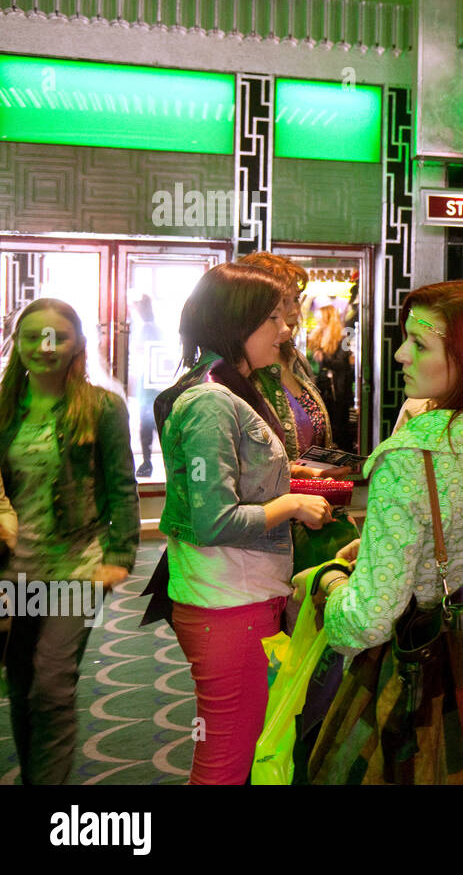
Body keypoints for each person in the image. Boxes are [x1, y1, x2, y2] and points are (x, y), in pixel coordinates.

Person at [303, 281, 463, 784]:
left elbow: (368, 620)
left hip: (427, 675)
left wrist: (326, 583)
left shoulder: (413, 458)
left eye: (420, 344)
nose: (399, 355)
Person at [151, 264, 334, 784]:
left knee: (238, 745)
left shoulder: (228, 385)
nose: (285, 329)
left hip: (233, 592)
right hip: (225, 598)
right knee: (227, 757)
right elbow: (214, 520)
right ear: (236, 322)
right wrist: (291, 504)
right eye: (273, 317)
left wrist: (283, 476)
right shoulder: (212, 398)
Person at [0, 298, 140, 785]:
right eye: (33, 336)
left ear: (78, 342)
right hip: (15, 569)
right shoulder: (3, 408)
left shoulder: (100, 406)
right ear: (16, 343)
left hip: (79, 565)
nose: (45, 346)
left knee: (53, 684)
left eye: (58, 336)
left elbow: (123, 487)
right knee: (20, 684)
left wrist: (120, 555)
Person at [237, 253, 343, 471]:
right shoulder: (239, 370)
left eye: (296, 299)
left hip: (309, 500)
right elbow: (234, 467)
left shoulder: (295, 359)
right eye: (283, 302)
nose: (294, 311)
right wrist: (296, 472)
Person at [307, 304, 356, 453]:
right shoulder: (316, 335)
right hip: (322, 386)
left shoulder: (342, 338)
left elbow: (343, 365)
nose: (317, 321)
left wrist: (324, 359)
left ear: (327, 318)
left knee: (340, 423)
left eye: (320, 318)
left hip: (337, 389)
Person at [130, 294, 163, 478]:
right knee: (153, 424)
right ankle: (150, 462)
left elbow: (141, 349)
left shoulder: (148, 329)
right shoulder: (153, 328)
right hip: (150, 382)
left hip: (150, 383)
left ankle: (147, 462)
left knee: (149, 424)